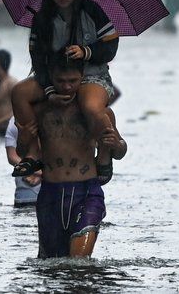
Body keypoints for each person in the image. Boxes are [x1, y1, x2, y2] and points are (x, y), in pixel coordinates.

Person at [10, 0, 119, 180]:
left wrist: (86, 51)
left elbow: (110, 47)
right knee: (19, 93)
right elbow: (38, 59)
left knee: (91, 107)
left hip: (92, 75)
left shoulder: (92, 11)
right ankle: (33, 152)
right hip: (53, 76)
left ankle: (104, 154)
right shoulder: (41, 19)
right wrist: (50, 90)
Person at [33, 58, 127, 258]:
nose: (67, 87)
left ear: (82, 78)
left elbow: (120, 152)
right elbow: (25, 151)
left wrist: (116, 144)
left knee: (79, 263)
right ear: (51, 78)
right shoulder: (40, 110)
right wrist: (26, 137)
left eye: (72, 81)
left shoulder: (97, 112)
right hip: (50, 193)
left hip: (87, 192)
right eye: (61, 81)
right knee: (50, 265)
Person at [4, 116, 41, 207]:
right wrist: (39, 172)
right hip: (29, 188)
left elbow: (12, 157)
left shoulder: (14, 122)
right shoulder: (13, 123)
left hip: (27, 186)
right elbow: (11, 157)